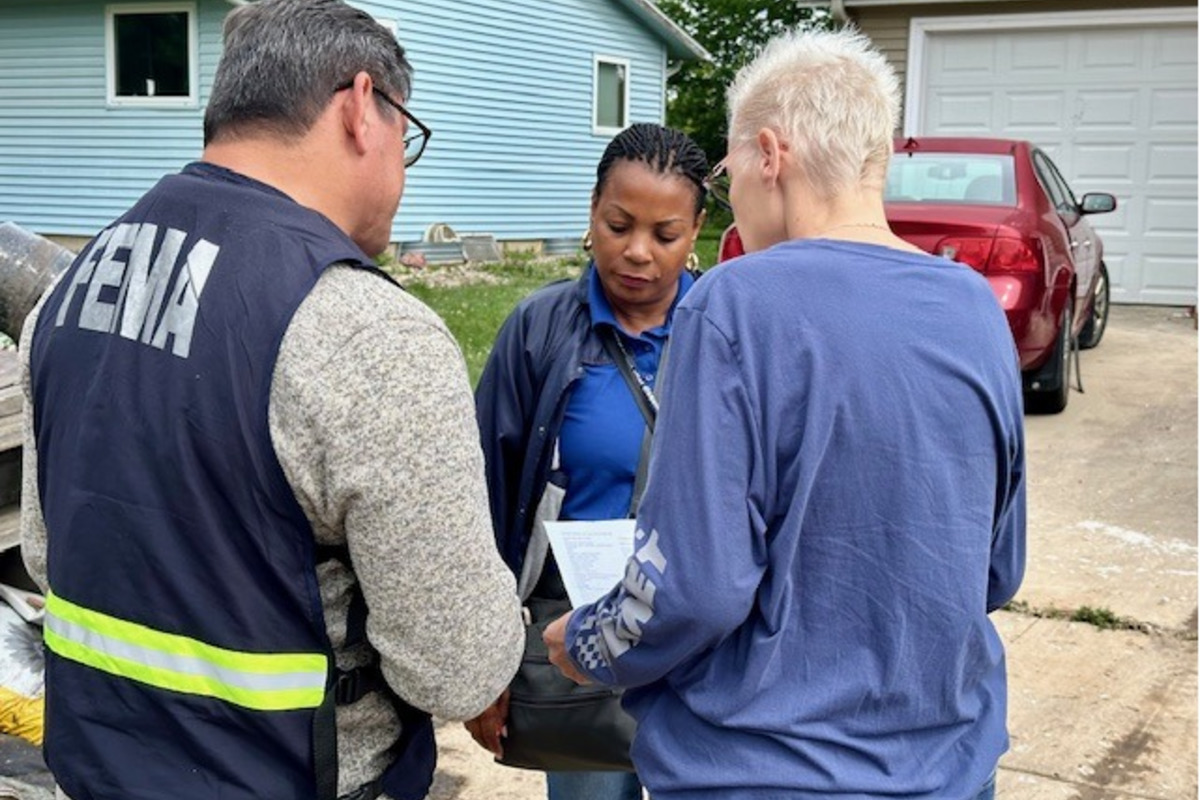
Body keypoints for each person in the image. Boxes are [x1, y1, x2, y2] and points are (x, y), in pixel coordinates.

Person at [19, 1, 524, 798]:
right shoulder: (366, 333)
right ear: (363, 107)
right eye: (409, 138)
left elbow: (51, 555)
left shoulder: (73, 290)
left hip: (101, 771)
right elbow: (455, 666)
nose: (403, 168)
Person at [544, 28, 1026, 800]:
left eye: (730, 173)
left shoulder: (735, 303)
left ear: (770, 154)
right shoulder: (973, 307)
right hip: (950, 768)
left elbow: (694, 586)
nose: (732, 197)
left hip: (760, 772)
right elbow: (996, 569)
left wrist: (592, 645)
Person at [467, 123, 709, 800]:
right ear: (591, 215)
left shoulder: (731, 332)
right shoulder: (539, 331)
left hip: (705, 649)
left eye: (665, 234)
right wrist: (489, 670)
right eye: (617, 224)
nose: (637, 252)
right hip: (585, 648)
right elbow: (485, 501)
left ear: (695, 235)